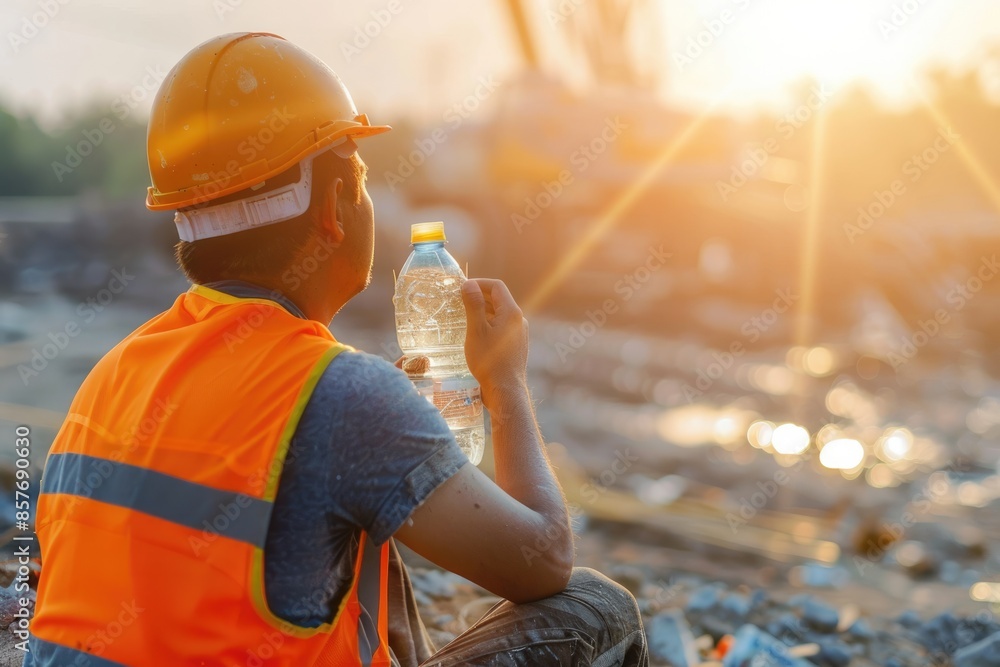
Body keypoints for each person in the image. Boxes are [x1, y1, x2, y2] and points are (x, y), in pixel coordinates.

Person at [26, 32, 648, 666]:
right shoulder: (341, 395)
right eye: (362, 176)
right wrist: (505, 385)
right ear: (333, 206)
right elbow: (542, 561)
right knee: (600, 607)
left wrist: (385, 432)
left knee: (367, 535)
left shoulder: (112, 374)